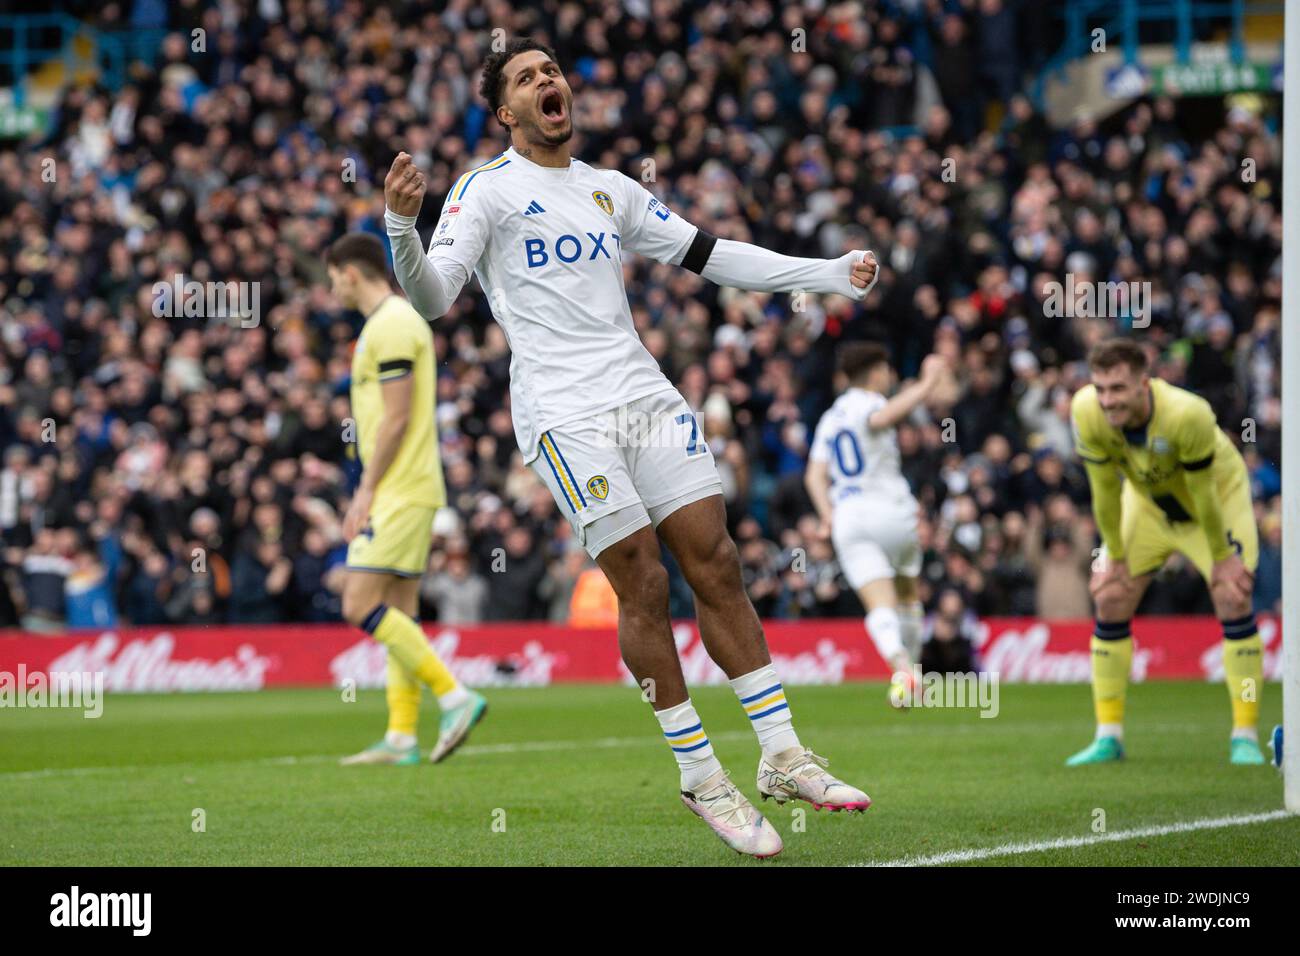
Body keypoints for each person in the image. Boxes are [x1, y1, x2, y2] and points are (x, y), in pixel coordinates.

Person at [384, 39, 876, 858]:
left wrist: (821, 274)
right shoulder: (486, 192)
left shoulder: (612, 190)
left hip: (642, 392)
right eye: (527, 76)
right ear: (506, 112)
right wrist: (403, 223)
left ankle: (785, 756)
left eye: (552, 71)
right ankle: (699, 771)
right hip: (564, 413)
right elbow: (432, 299)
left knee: (715, 561)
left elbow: (713, 256)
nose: (549, 81)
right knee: (642, 579)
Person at [325, 233, 486, 767]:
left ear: (350, 273)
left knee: (357, 601)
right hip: (413, 487)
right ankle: (400, 736)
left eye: (332, 278)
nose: (331, 289)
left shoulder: (390, 324)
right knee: (398, 611)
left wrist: (365, 491)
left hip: (398, 489)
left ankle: (455, 696)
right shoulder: (392, 323)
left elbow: (396, 416)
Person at [1066, 338, 1265, 766]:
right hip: (1149, 504)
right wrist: (1113, 555)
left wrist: (1222, 558)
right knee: (1110, 594)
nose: (1106, 400)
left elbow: (1204, 494)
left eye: (1118, 389)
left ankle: (1244, 734)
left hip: (1216, 503)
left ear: (1145, 382)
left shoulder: (1187, 413)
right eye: (1100, 388)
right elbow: (1103, 492)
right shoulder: (1085, 410)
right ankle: (1108, 736)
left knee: (1232, 595)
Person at [805, 344, 948, 707]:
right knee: (906, 595)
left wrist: (826, 515)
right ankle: (913, 674)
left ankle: (903, 670)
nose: (890, 376)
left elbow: (814, 476)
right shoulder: (869, 403)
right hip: (891, 511)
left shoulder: (830, 417)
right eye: (886, 369)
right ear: (873, 373)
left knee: (878, 604)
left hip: (849, 518)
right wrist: (929, 382)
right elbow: (882, 419)